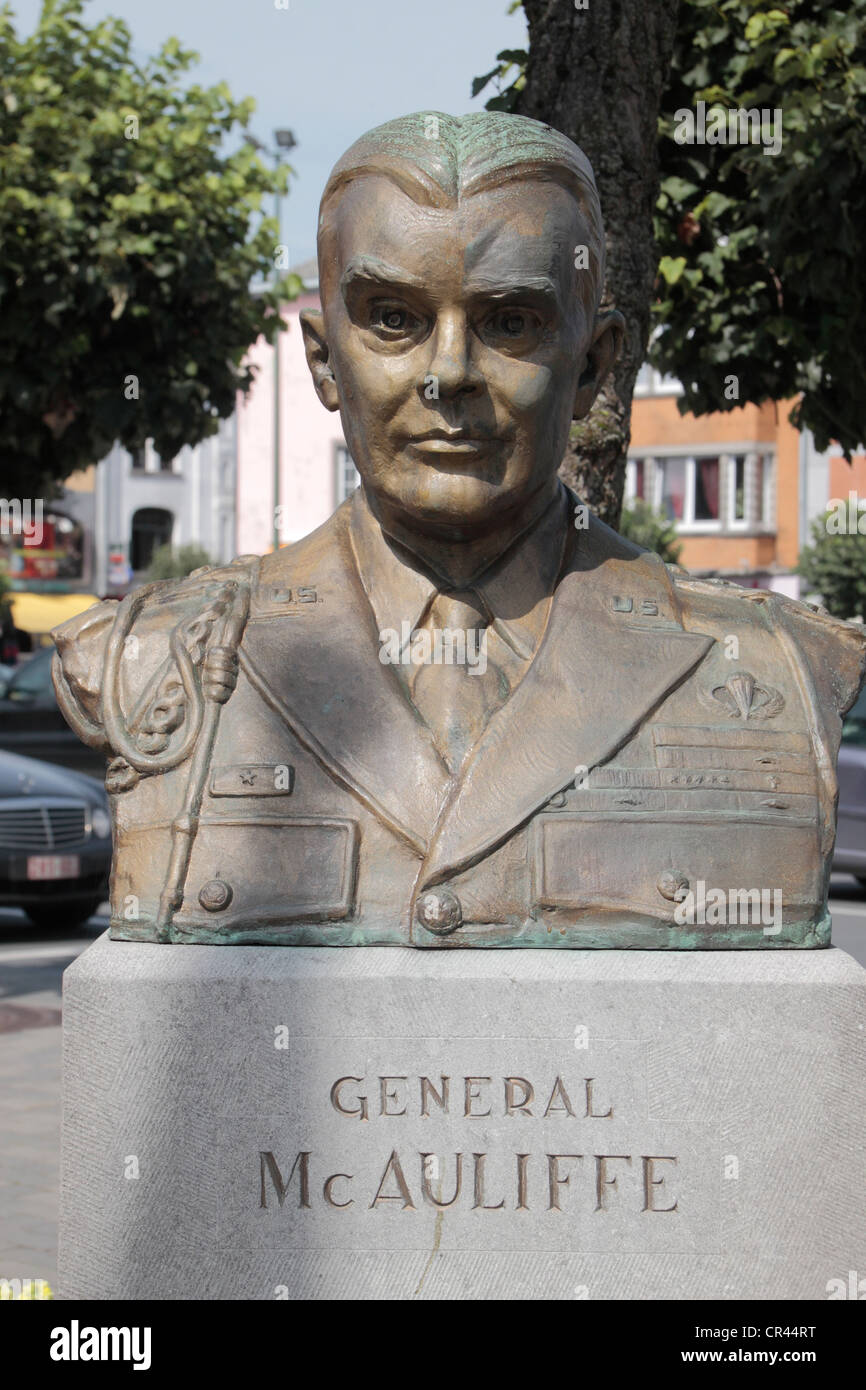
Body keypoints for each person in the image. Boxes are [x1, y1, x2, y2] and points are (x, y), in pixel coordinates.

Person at [51, 111, 865, 948]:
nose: (449, 374)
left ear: (591, 365)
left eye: (511, 322)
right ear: (325, 361)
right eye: (393, 319)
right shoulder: (154, 656)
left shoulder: (774, 666)